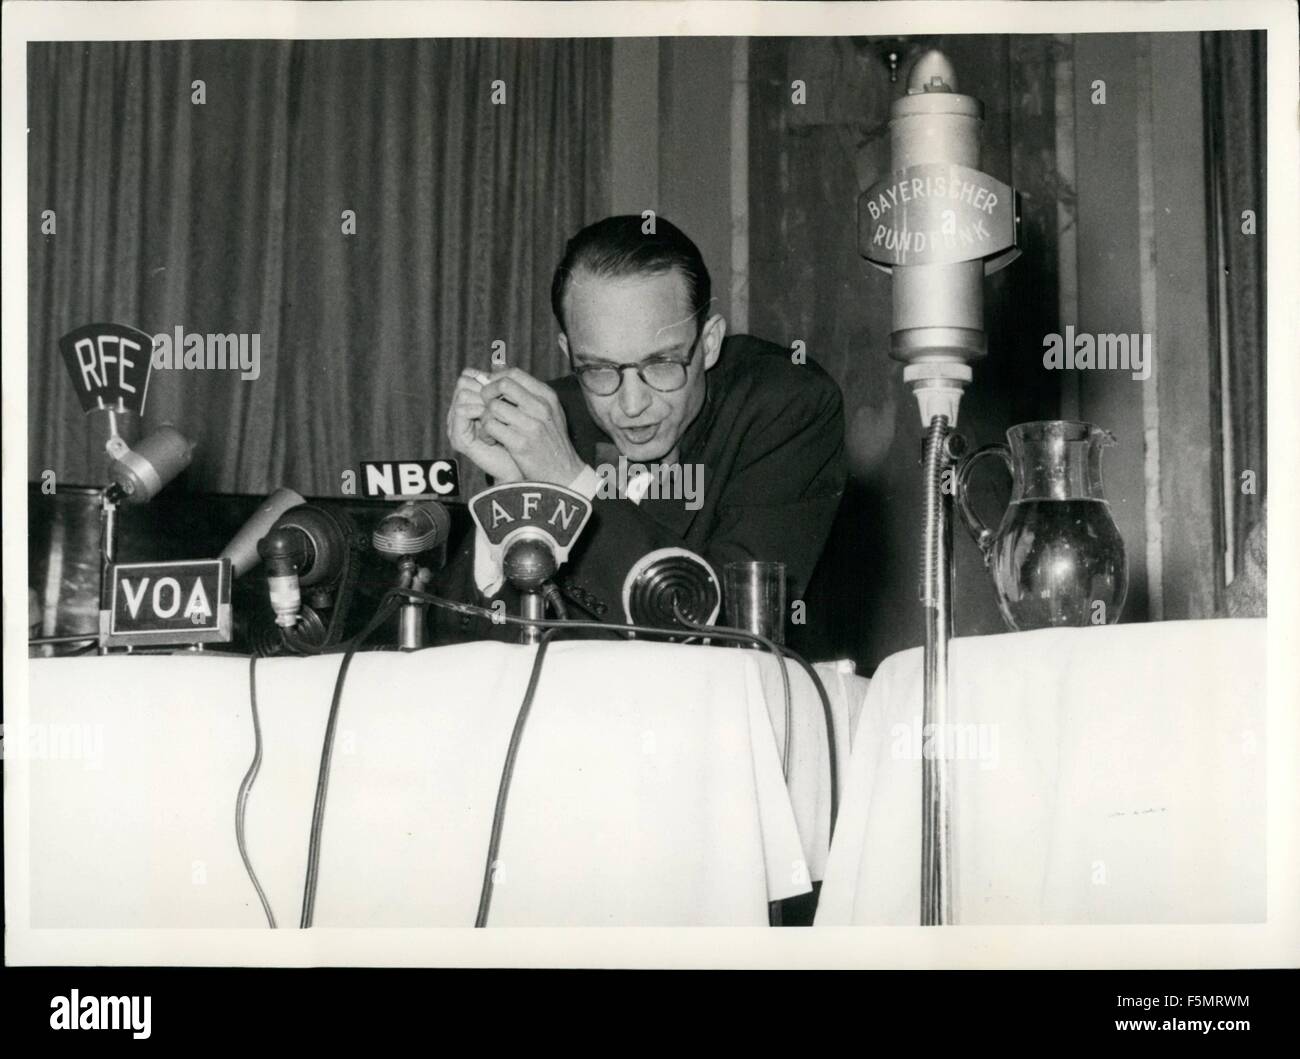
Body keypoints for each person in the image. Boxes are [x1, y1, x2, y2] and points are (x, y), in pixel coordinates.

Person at [433, 214, 846, 641]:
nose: (632, 405)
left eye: (662, 363)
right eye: (598, 369)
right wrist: (509, 488)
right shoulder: (555, 418)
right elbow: (458, 637)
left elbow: (723, 629)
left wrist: (570, 482)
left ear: (708, 344)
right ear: (569, 353)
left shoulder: (784, 405)